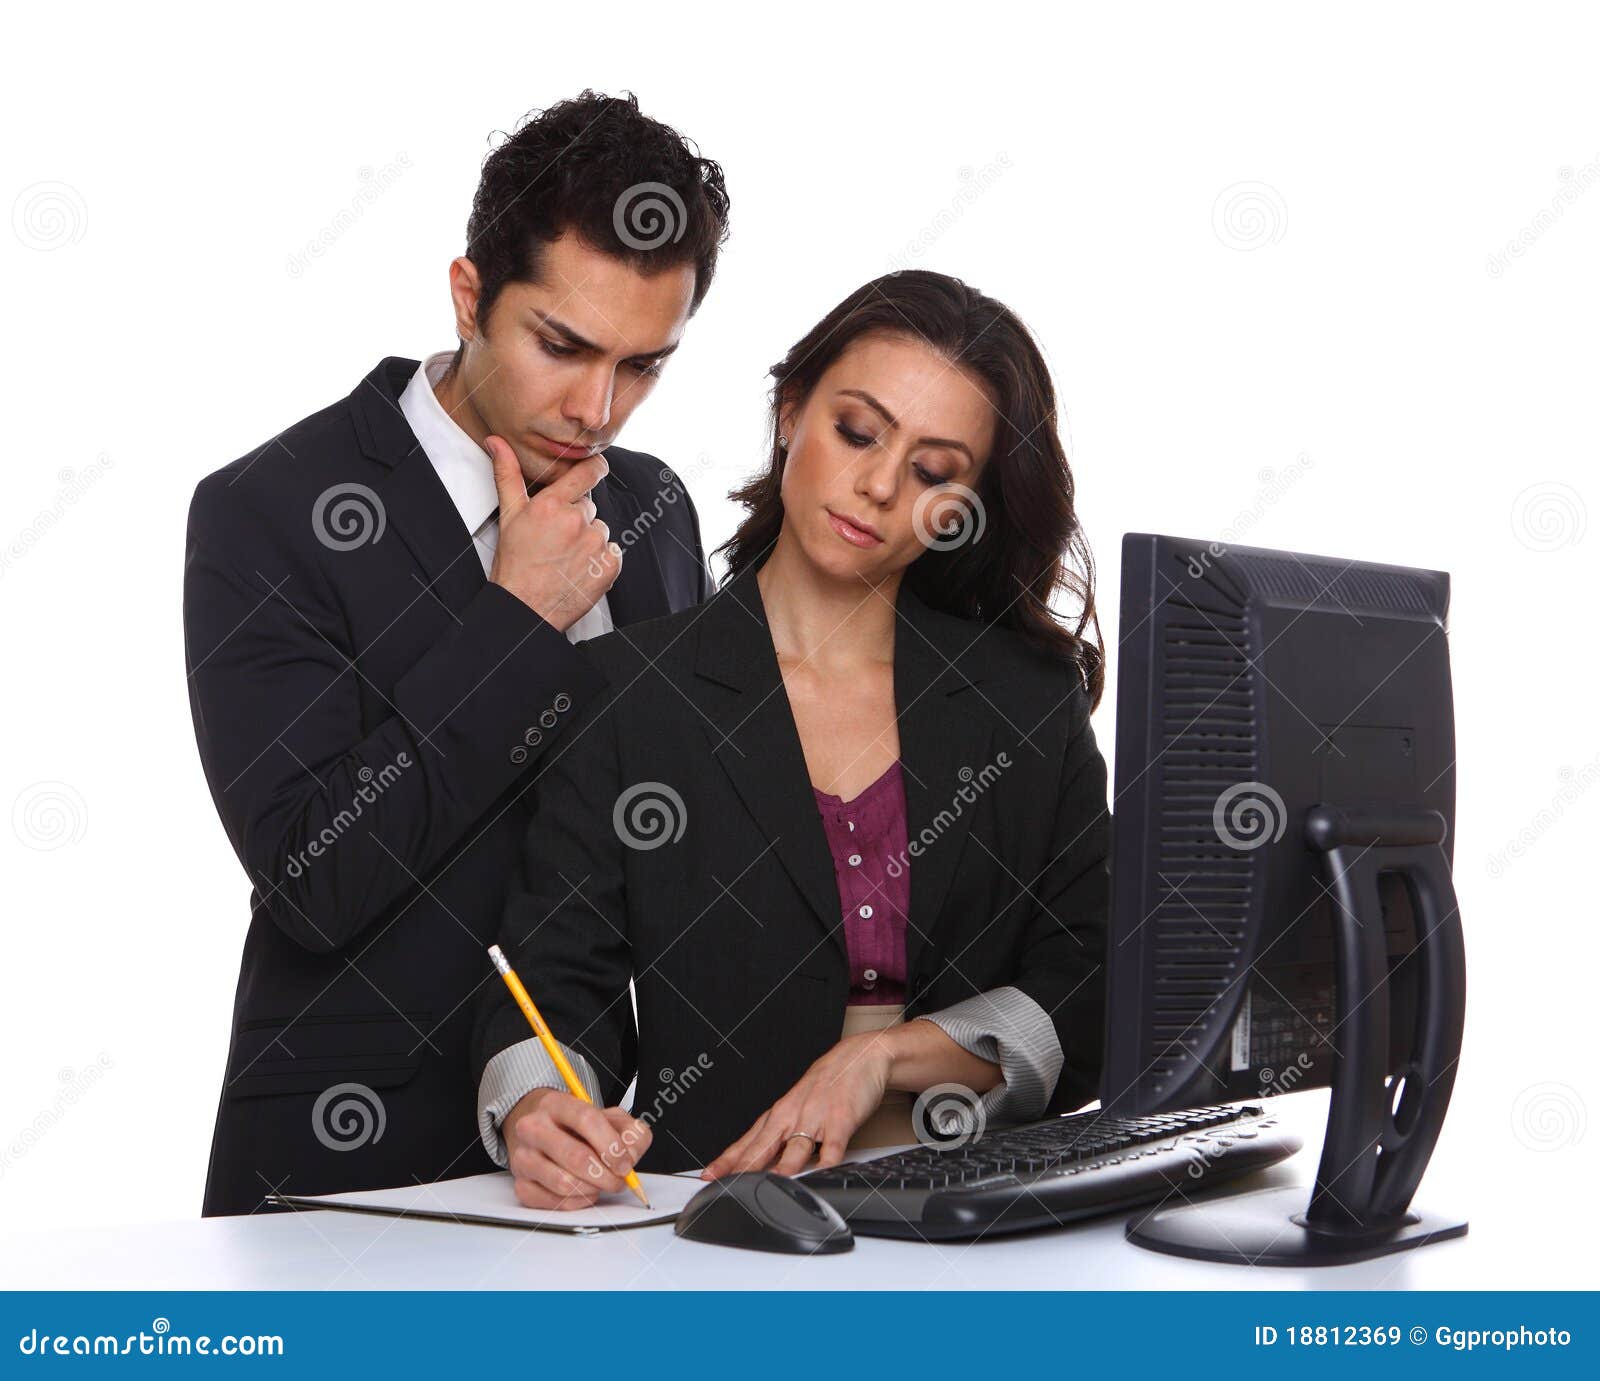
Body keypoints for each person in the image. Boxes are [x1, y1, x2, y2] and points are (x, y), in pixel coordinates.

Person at [183, 92, 729, 1215]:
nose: (595, 409)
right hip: (345, 1172)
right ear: (469, 295)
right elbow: (311, 877)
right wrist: (513, 625)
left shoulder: (655, 507)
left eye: (643, 367)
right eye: (561, 346)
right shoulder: (271, 510)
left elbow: (666, 841)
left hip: (601, 1168)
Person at [473, 269, 1111, 1211]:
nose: (880, 485)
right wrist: (537, 1106)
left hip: (985, 1227)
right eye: (858, 431)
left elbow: (1091, 979)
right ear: (790, 411)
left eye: (934, 471)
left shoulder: (1028, 701)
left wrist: (883, 1056)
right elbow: (557, 980)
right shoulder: (631, 693)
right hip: (729, 1225)